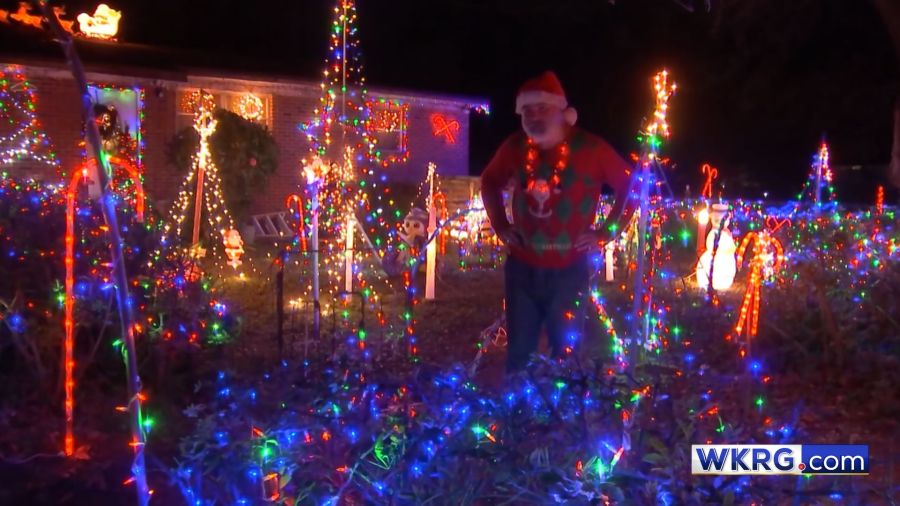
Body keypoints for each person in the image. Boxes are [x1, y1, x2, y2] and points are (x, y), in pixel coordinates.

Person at [480, 71, 635, 372]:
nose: (534, 116)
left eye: (542, 108)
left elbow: (630, 186)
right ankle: (518, 415)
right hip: (522, 269)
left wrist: (606, 232)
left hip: (569, 271)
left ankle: (562, 416)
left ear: (562, 111)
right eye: (527, 110)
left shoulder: (591, 149)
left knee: (565, 354)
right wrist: (500, 225)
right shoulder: (514, 147)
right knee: (519, 353)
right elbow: (489, 181)